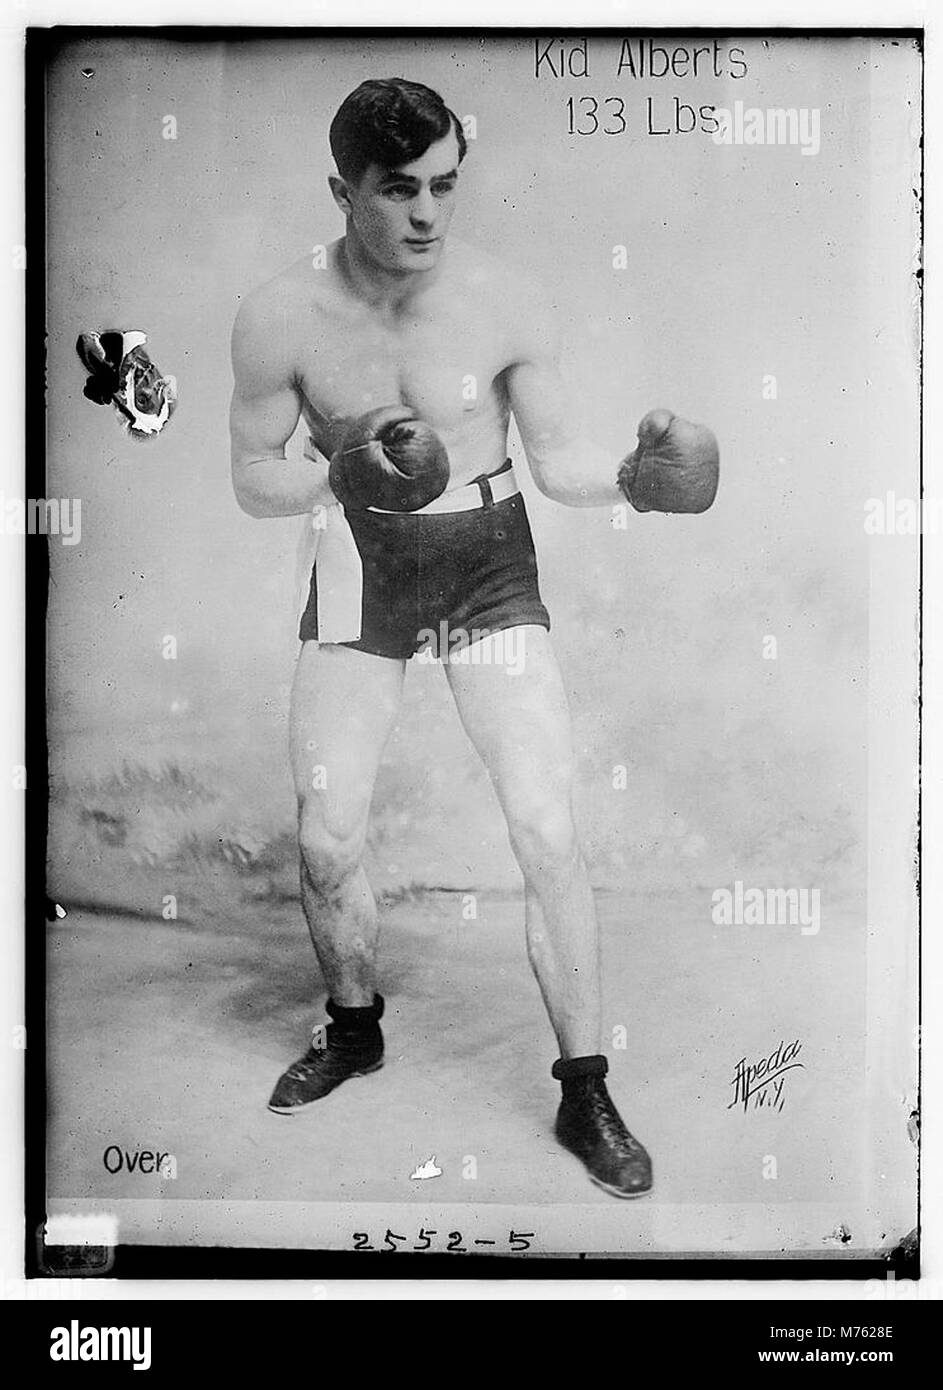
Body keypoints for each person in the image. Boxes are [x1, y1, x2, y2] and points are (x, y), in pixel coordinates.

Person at [229, 77, 718, 1198]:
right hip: (360, 561)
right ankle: (354, 1029)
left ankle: (584, 1084)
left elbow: (555, 463)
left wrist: (638, 477)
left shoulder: (502, 298)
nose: (426, 215)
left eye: (445, 185)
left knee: (547, 826)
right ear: (341, 188)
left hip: (485, 560)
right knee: (327, 830)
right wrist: (331, 470)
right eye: (397, 190)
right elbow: (254, 475)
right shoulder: (278, 314)